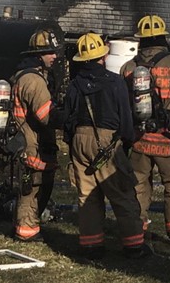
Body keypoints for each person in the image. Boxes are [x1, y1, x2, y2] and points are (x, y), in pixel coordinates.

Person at [63, 32, 151, 258]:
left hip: (79, 141)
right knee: (121, 193)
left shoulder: (74, 85)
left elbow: (68, 118)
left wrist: (73, 143)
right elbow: (125, 117)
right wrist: (128, 139)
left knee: (88, 196)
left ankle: (91, 246)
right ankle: (134, 246)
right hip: (107, 141)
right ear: (102, 57)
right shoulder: (114, 83)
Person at [121, 14, 170, 244]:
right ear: (163, 38)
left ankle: (138, 227)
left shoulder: (129, 66)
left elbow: (123, 101)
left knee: (139, 184)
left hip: (140, 138)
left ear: (140, 41)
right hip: (167, 138)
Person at [9, 29, 62, 242]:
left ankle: (28, 224)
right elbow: (46, 116)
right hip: (33, 141)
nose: (55, 56)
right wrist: (67, 117)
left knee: (35, 184)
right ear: (38, 55)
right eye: (50, 52)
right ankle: (26, 231)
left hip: (27, 139)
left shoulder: (25, 75)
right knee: (32, 187)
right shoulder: (34, 80)